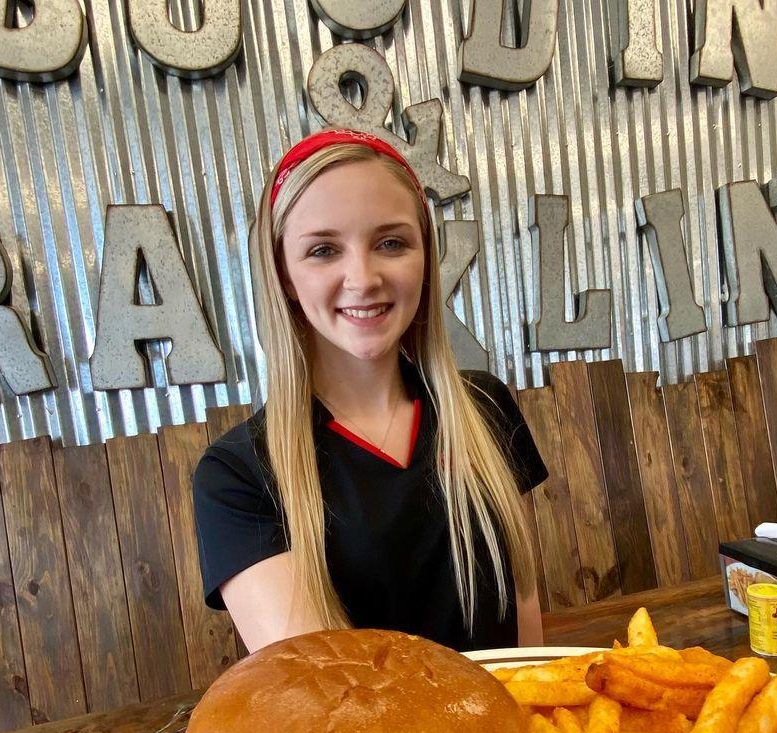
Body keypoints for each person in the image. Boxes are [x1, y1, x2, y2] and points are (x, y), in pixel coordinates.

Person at [192, 129, 548, 654]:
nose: (362, 278)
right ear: (284, 274)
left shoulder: (486, 408)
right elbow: (323, 683)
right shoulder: (238, 476)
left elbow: (526, 630)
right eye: (323, 250)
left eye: (391, 243)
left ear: (425, 257)